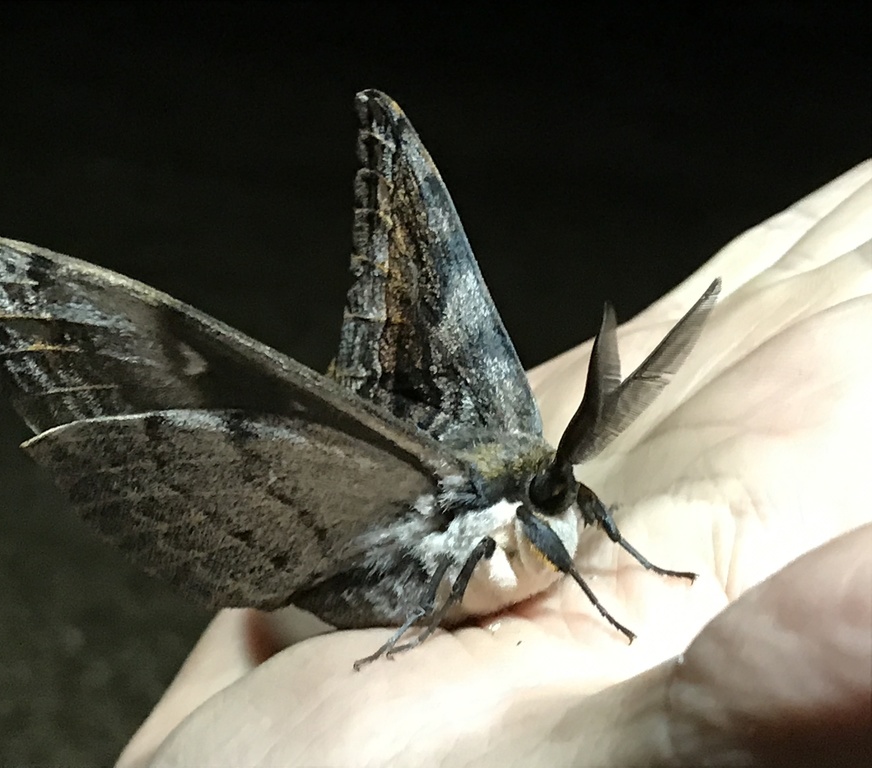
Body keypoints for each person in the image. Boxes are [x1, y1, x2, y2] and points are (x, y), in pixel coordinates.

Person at [118, 161, 872, 768]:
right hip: (363, 553)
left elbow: (566, 496)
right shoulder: (485, 513)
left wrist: (630, 560)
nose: (572, 516)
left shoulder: (541, 473)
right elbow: (486, 537)